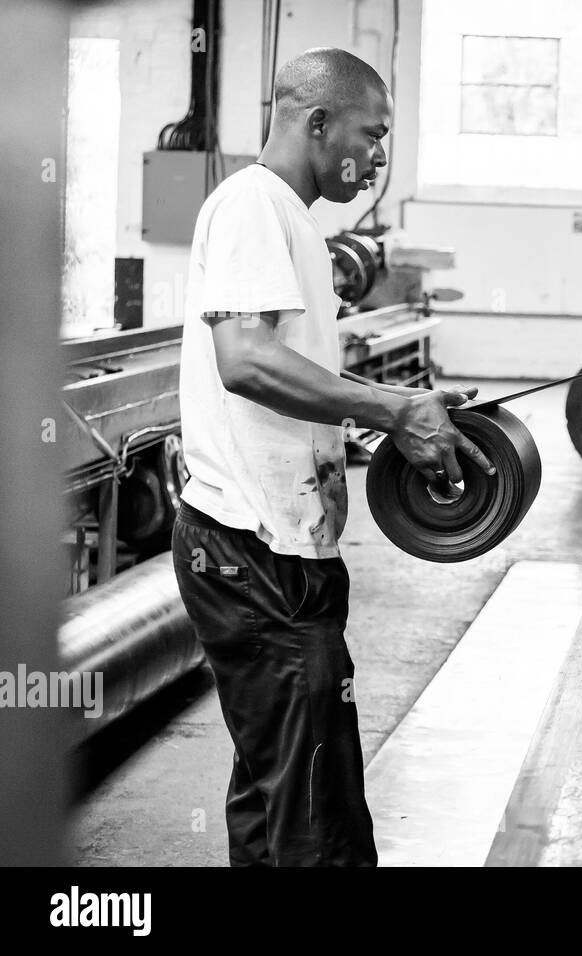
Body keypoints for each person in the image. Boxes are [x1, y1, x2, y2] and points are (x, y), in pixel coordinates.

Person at [170, 47, 493, 866]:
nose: (380, 156)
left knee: (279, 781)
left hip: (279, 550)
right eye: (371, 133)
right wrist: (389, 405)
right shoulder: (253, 204)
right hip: (252, 554)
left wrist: (392, 419)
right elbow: (244, 360)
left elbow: (291, 370)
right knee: (317, 808)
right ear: (317, 122)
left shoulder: (294, 222)